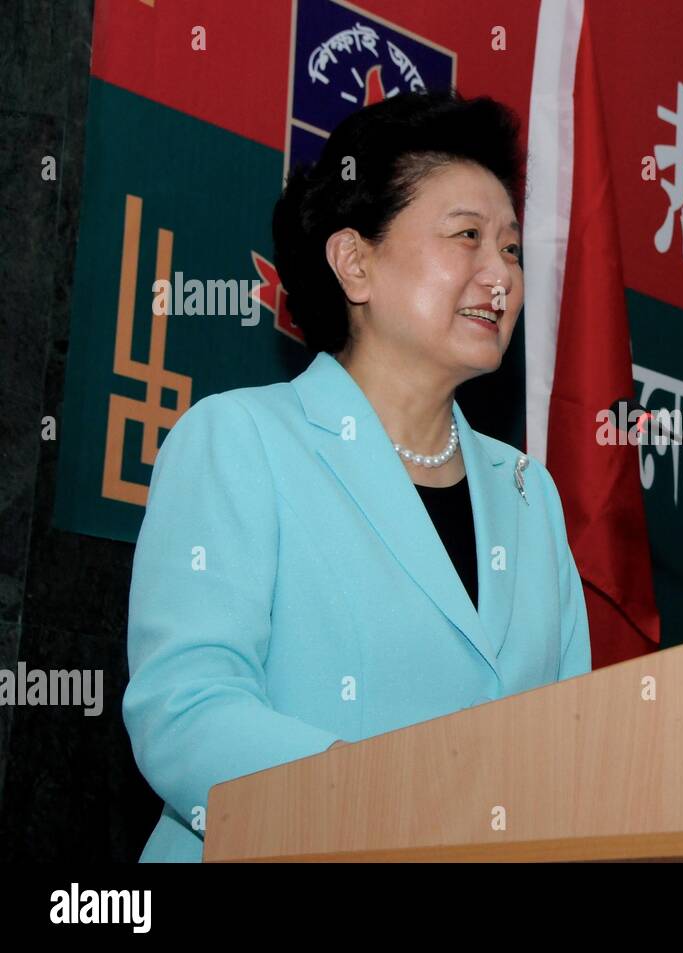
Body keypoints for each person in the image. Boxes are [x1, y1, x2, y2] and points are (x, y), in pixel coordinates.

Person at [122, 90, 591, 863]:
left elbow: (571, 739)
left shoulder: (527, 494)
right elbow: (189, 713)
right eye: (467, 236)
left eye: (510, 248)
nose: (500, 275)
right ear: (356, 262)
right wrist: (401, 810)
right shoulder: (241, 441)